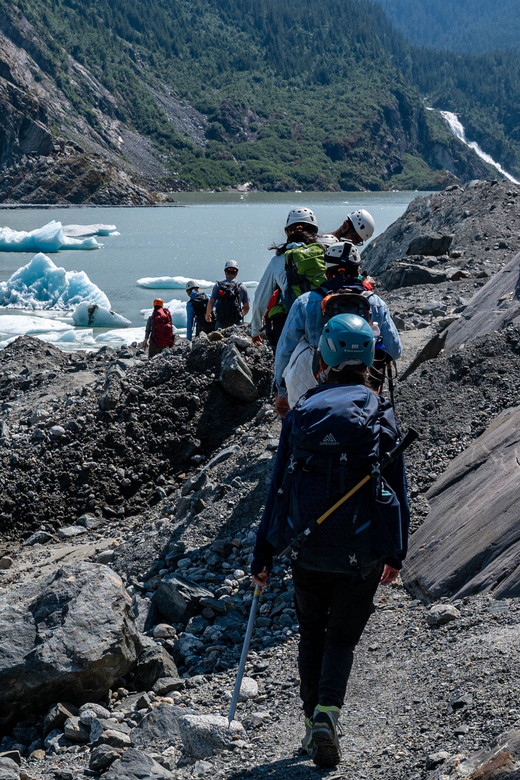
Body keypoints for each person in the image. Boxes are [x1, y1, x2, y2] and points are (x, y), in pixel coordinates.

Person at [251, 313, 410, 768]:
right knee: (341, 639)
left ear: (324, 357)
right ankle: (327, 713)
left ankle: (309, 726)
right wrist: (395, 551)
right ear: (370, 359)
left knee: (311, 637)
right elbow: (397, 489)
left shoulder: (302, 411)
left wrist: (264, 552)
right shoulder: (381, 413)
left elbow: (278, 487)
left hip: (308, 547)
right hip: (362, 553)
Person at [274, 241, 402, 417]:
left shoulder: (305, 302)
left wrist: (282, 392)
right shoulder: (375, 303)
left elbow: (284, 351)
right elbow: (394, 351)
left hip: (317, 383)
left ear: (326, 273)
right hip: (363, 385)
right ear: (357, 271)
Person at [250, 209, 375, 350]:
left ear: (287, 232)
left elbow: (260, 300)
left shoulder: (278, 260)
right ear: (315, 231)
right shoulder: (326, 252)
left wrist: (255, 331)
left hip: (295, 324)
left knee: (284, 366)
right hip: (329, 319)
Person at [205, 260, 250, 330]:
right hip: (236, 322)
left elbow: (211, 302)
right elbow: (246, 307)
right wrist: (241, 315)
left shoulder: (218, 286)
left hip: (221, 321)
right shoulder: (242, 287)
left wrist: (208, 315)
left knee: (218, 339)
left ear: (225, 272)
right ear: (236, 273)